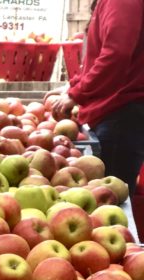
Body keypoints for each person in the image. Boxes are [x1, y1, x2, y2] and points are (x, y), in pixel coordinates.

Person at [49, 0, 144, 197]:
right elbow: (100, 55)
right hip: (117, 110)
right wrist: (73, 86)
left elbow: (115, 55)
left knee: (112, 202)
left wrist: (77, 94)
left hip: (120, 112)